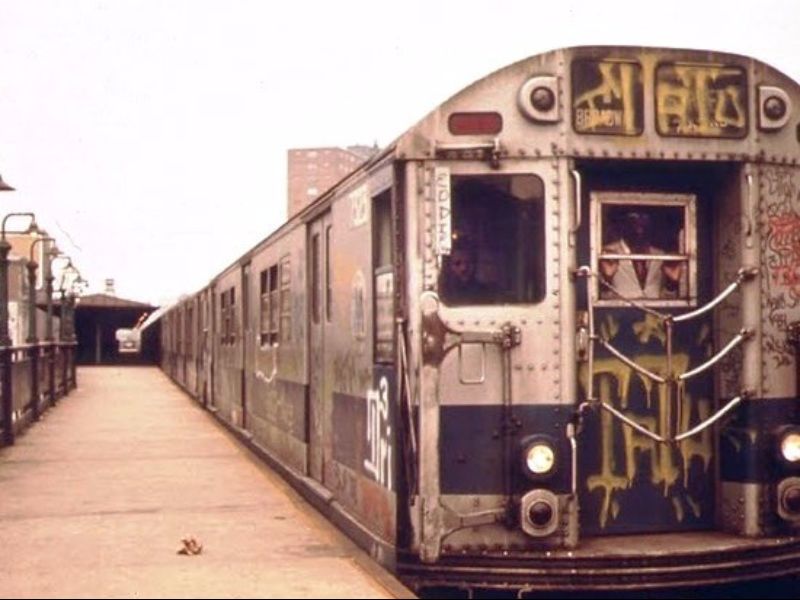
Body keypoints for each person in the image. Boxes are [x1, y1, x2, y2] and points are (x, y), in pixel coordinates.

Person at [599, 209, 683, 299]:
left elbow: (666, 298)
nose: (639, 223)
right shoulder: (608, 254)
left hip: (653, 312)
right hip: (620, 312)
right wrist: (607, 278)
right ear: (623, 222)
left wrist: (672, 283)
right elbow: (601, 297)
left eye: (644, 217)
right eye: (633, 217)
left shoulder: (660, 254)